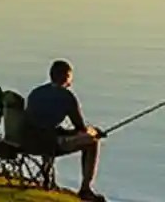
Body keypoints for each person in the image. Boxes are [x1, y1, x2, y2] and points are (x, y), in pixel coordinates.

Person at [24, 59, 106, 201]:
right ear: (66, 76)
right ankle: (85, 189)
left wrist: (66, 132)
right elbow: (80, 128)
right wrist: (94, 132)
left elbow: (40, 121)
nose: (71, 81)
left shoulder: (36, 93)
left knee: (48, 134)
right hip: (49, 143)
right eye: (70, 77)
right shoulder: (67, 97)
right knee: (92, 142)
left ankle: (47, 178)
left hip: (28, 140)